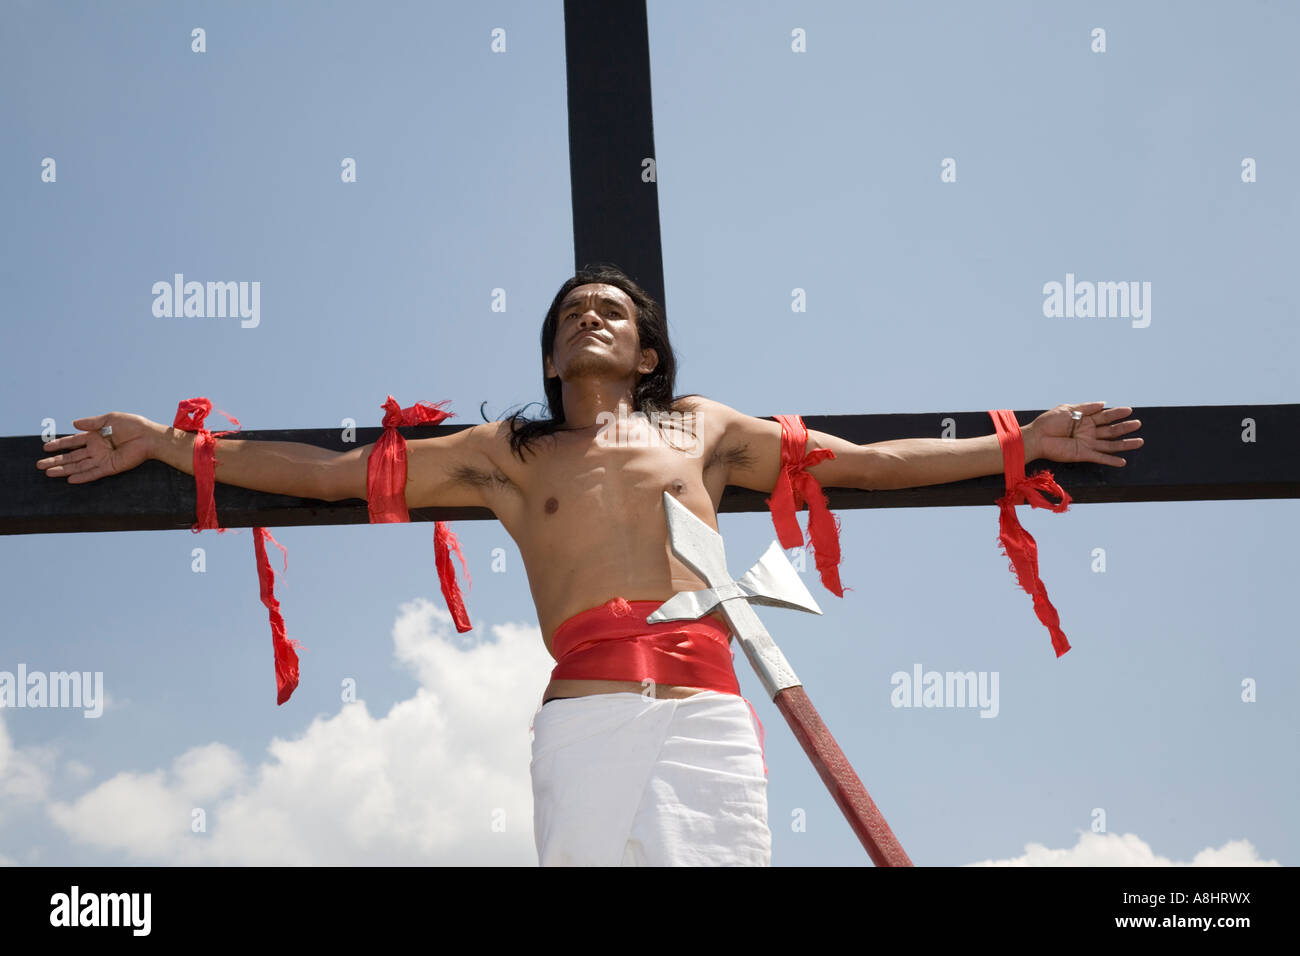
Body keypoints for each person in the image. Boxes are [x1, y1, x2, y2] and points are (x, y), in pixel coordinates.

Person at [35, 263, 1143, 866]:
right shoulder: (502, 457)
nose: (589, 320)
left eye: (610, 311)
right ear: (553, 352)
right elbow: (326, 473)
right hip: (585, 710)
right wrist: (176, 446)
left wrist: (1016, 442)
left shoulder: (701, 429)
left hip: (709, 713)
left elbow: (859, 463)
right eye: (572, 314)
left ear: (646, 352)